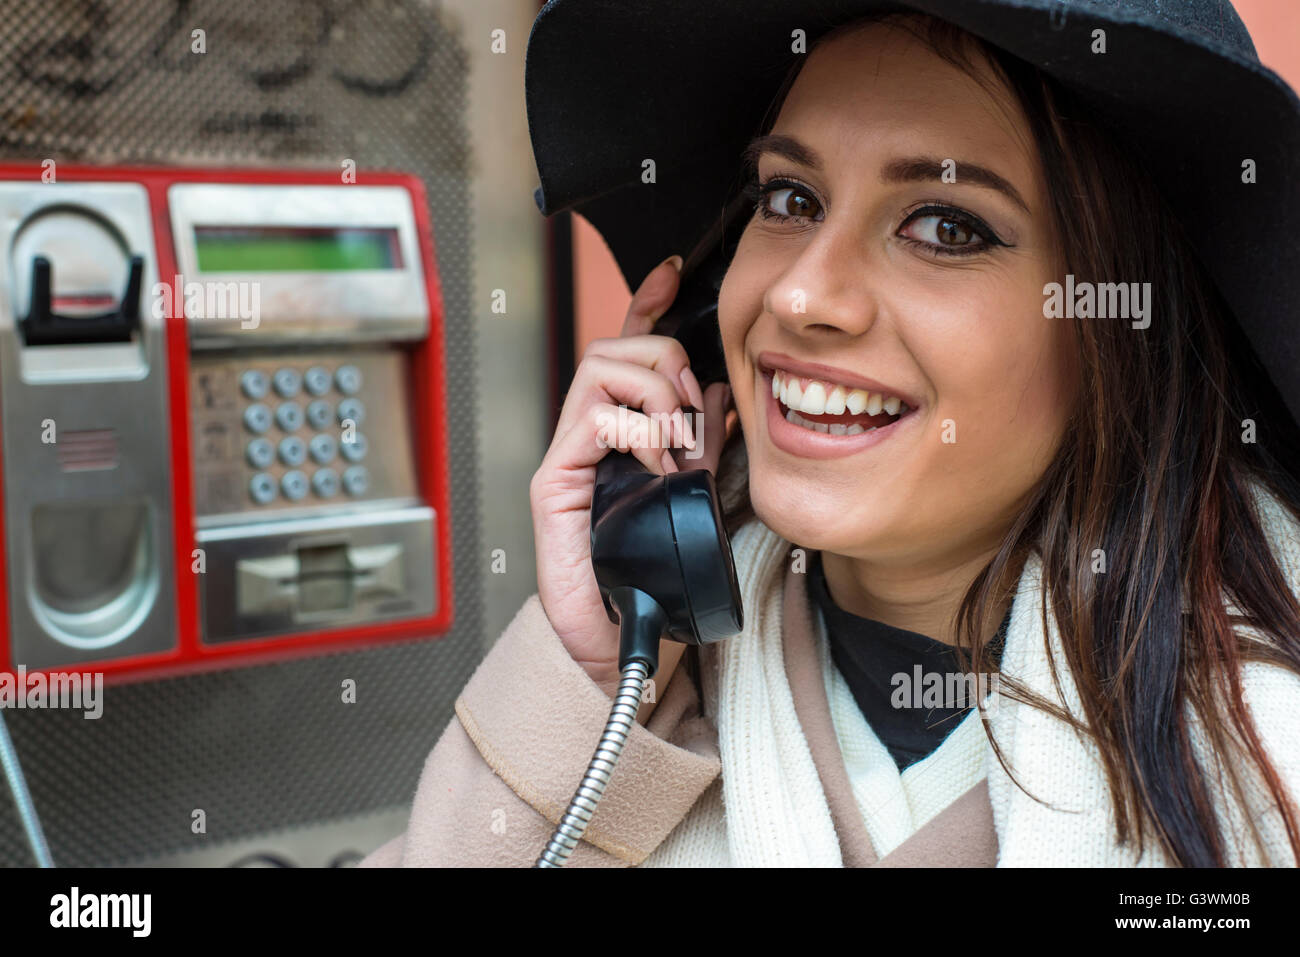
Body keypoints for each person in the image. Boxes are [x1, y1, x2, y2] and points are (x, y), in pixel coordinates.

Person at [363, 0, 1300, 867]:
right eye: (790, 201)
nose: (802, 293)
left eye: (945, 225)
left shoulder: (1271, 754)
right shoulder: (640, 693)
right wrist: (588, 680)